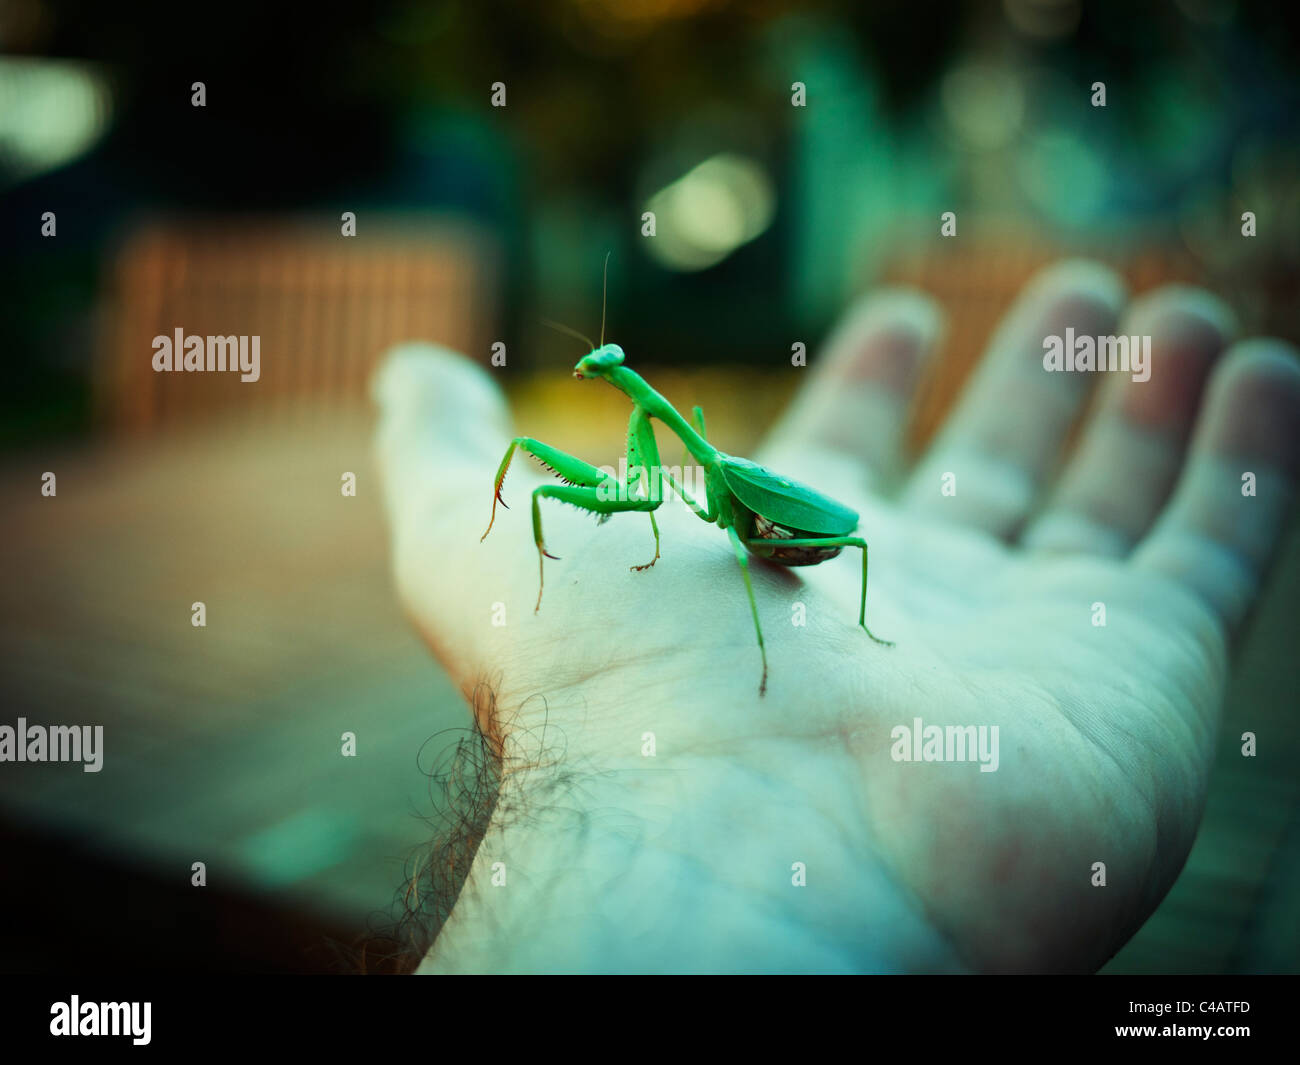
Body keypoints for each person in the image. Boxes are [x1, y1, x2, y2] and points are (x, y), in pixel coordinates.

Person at [371, 261, 1299, 973]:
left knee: (756, 537)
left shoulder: (708, 472)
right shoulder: (660, 443)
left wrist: (762, 648)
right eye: (603, 366)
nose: (600, 369)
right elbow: (651, 496)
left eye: (610, 366)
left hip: (786, 528)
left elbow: (708, 527)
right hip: (745, 515)